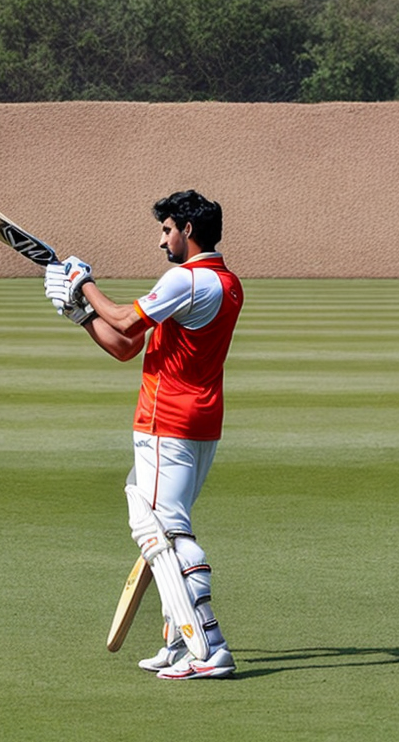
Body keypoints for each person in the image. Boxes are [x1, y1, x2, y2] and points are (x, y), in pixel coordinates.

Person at [43, 190, 243, 678]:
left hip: (165, 422)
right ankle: (178, 637)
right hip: (199, 424)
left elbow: (125, 318)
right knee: (150, 513)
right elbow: (126, 345)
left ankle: (209, 648)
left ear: (187, 232)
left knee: (165, 534)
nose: (162, 240)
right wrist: (79, 313)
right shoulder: (228, 282)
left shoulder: (187, 279)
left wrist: (83, 284)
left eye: (167, 229)